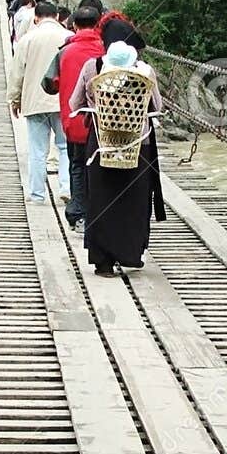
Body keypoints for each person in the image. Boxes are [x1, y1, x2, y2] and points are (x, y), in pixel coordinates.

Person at [69, 16, 165, 276]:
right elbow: (157, 107)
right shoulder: (145, 71)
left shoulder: (92, 67)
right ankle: (129, 253)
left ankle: (103, 262)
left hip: (101, 143)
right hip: (138, 145)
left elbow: (74, 104)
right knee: (132, 201)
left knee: (101, 200)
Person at [7, 0, 71, 204]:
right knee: (65, 147)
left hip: (34, 101)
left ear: (36, 18)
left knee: (37, 149)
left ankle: (36, 194)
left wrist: (14, 99)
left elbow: (17, 73)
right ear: (57, 17)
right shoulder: (69, 37)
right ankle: (67, 188)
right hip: (62, 101)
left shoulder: (27, 39)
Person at [49, 1, 104, 228]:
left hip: (73, 120)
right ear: (98, 23)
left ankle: (77, 211)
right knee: (99, 169)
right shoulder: (106, 50)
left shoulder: (64, 52)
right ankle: (97, 213)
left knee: (77, 165)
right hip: (103, 123)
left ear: (74, 25)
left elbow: (49, 84)